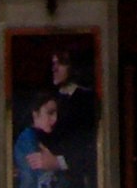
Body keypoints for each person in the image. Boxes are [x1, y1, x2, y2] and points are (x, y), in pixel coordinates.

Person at [47, 47, 99, 188]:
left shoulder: (85, 99)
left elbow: (88, 146)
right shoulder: (51, 99)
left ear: (73, 67)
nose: (55, 69)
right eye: (53, 64)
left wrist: (59, 162)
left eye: (61, 64)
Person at [15, 91, 67, 188]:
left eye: (56, 114)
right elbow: (30, 179)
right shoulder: (27, 139)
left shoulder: (48, 139)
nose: (55, 119)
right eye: (50, 113)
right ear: (35, 113)